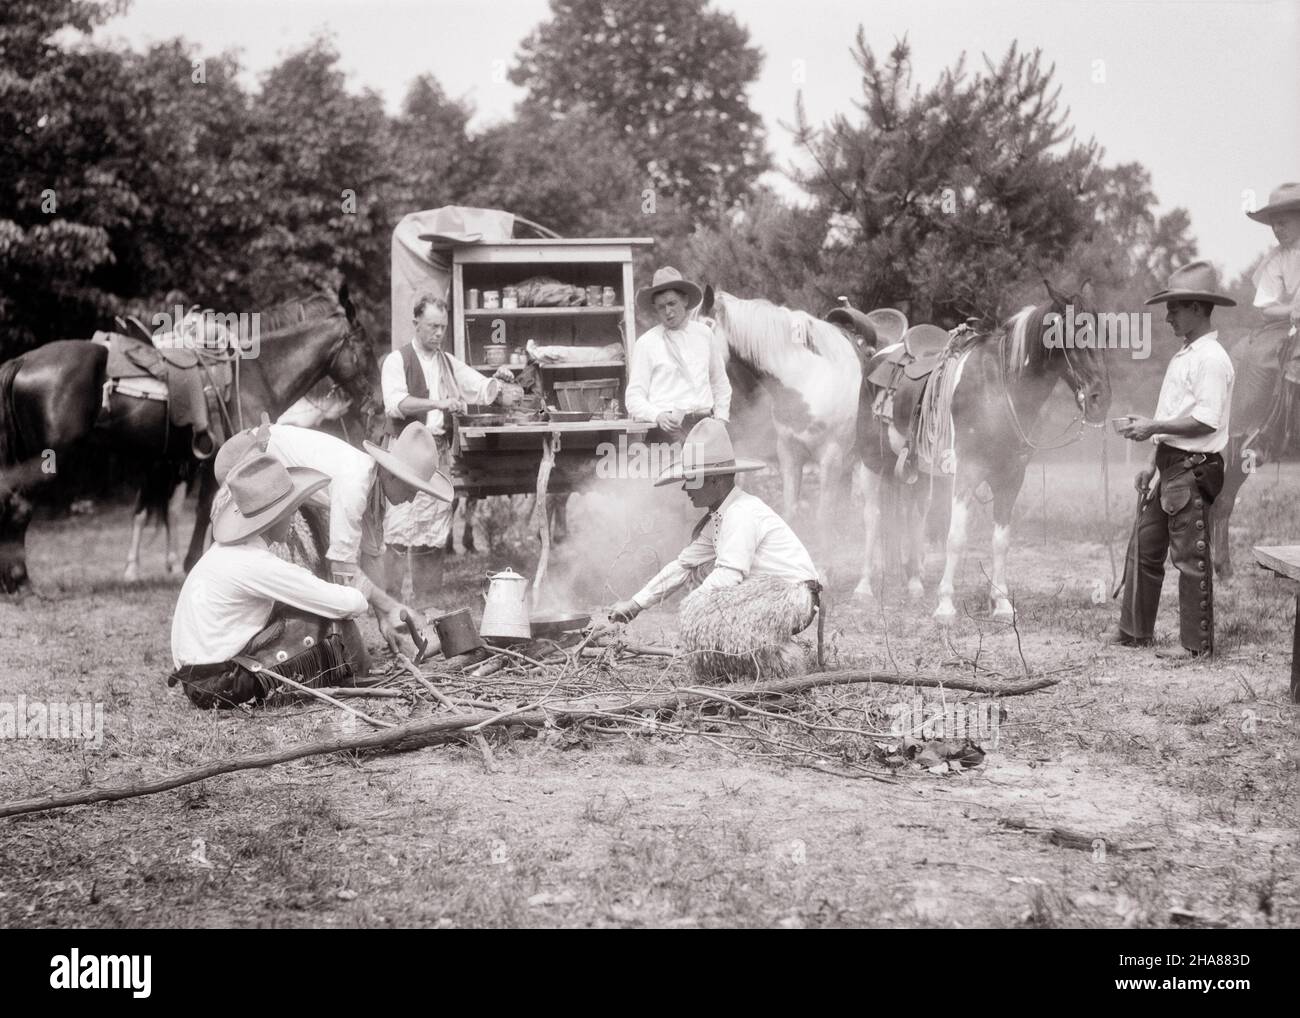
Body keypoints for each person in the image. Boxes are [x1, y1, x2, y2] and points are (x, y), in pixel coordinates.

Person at [170, 450, 431, 709]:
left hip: (199, 680)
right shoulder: (257, 563)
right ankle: (359, 675)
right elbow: (351, 603)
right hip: (221, 683)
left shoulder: (224, 554)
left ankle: (358, 673)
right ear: (276, 517)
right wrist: (348, 595)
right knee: (321, 614)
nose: (295, 516)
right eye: (291, 509)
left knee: (304, 607)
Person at [608, 419, 821, 679]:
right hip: (767, 597)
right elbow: (683, 566)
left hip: (793, 598)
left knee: (701, 611)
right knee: (701, 610)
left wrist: (694, 610)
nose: (685, 487)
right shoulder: (722, 515)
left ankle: (782, 672)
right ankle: (742, 673)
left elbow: (729, 576)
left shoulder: (741, 513)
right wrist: (634, 605)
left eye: (691, 479)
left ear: (716, 481)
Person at [1107, 261, 1236, 660]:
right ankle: (1134, 631)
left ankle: (1196, 647)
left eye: (1175, 308)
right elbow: (1171, 416)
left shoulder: (1211, 358)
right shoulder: (1184, 356)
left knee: (1189, 556)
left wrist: (1152, 426)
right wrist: (1151, 459)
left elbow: (1204, 421)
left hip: (1194, 465)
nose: (1167, 317)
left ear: (1198, 308)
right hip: (1169, 464)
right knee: (1144, 547)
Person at [380, 294, 513, 604]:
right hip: (404, 447)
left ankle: (427, 599)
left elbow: (480, 387)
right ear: (415, 324)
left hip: (437, 448)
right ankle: (390, 602)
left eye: (442, 327)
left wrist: (499, 378)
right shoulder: (397, 360)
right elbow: (396, 405)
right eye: (431, 326)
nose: (438, 333)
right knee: (399, 524)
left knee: (435, 522)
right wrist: (438, 402)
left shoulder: (447, 361)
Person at [625, 267, 731, 440]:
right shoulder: (646, 343)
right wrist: (657, 415)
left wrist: (720, 420)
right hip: (666, 431)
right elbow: (633, 397)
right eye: (661, 307)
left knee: (716, 466)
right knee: (669, 468)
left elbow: (720, 383)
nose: (667, 312)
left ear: (685, 300)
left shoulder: (704, 335)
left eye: (672, 303)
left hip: (706, 426)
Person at [1247, 182, 1300, 327]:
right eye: (1273, 224)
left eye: (1282, 223)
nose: (1276, 229)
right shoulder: (1276, 259)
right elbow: (1267, 310)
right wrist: (1292, 310)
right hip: (1289, 325)